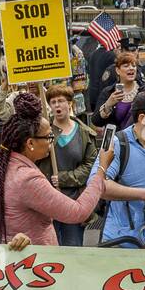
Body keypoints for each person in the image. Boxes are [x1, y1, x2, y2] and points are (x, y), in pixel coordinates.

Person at [0, 93, 109, 247]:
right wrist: (101, 170)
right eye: (49, 137)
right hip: (35, 260)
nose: (51, 143)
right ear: (30, 143)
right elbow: (78, 212)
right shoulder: (27, 179)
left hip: (6, 256)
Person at [44, 83, 100, 247]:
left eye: (61, 101)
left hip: (73, 201)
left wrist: (64, 178)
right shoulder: (43, 131)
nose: (57, 105)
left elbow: (91, 164)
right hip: (47, 202)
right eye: (53, 102)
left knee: (72, 247)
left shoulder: (84, 132)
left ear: (70, 103)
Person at [92, 50, 144, 129]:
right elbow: (96, 121)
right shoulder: (108, 92)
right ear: (117, 70)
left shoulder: (144, 91)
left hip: (139, 139)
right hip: (116, 139)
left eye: (133, 66)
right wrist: (108, 105)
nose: (131, 68)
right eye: (126, 66)